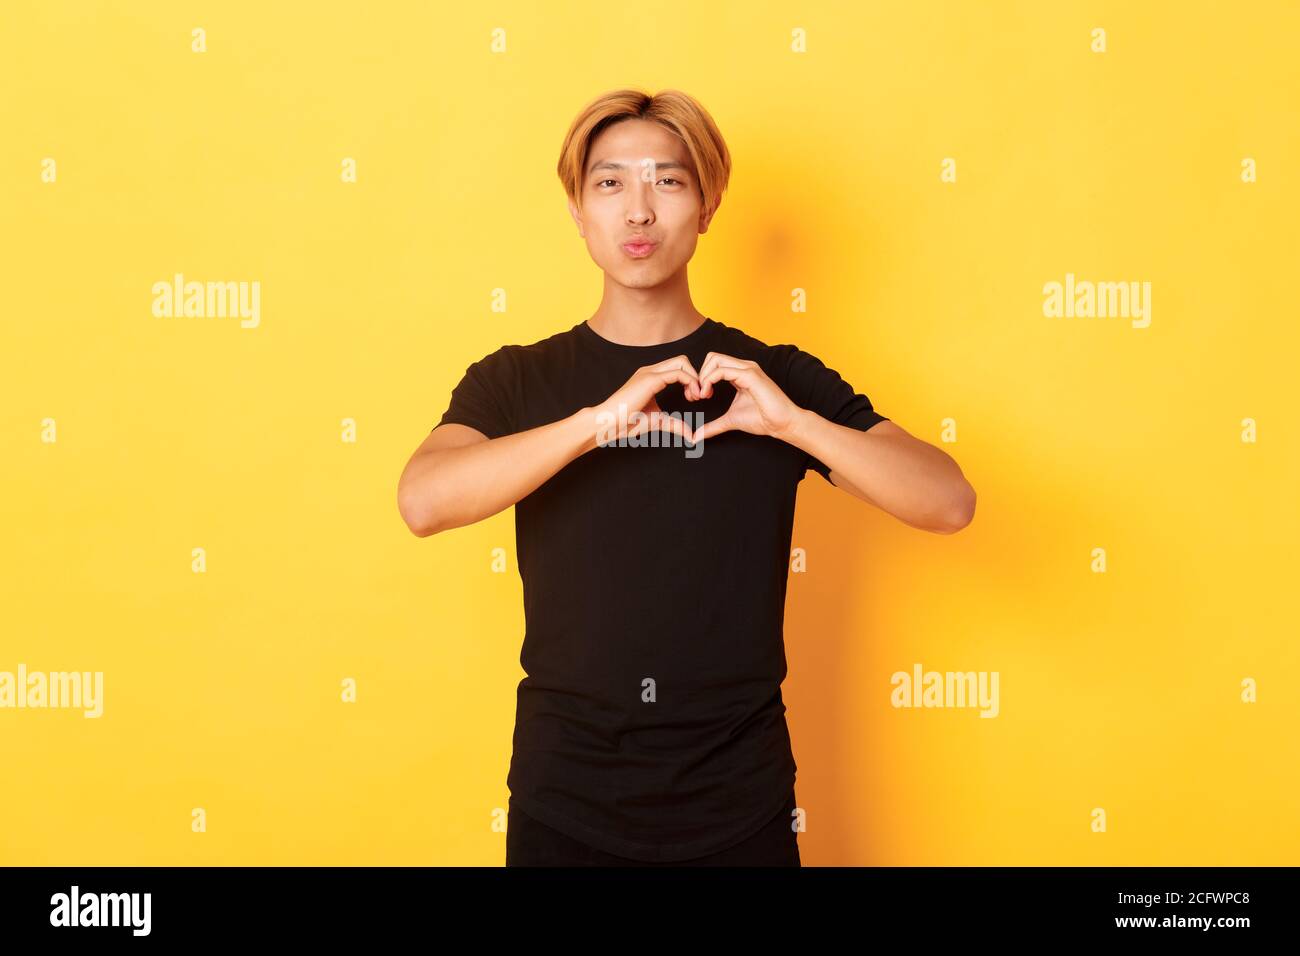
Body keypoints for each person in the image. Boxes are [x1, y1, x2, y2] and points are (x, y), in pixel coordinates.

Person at [397, 88, 976, 866]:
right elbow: (424, 501)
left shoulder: (771, 379)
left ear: (706, 207)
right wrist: (594, 423)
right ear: (577, 209)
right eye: (610, 184)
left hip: (740, 805)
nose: (638, 211)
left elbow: (948, 502)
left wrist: (793, 423)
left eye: (667, 182)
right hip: (565, 800)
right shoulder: (516, 380)